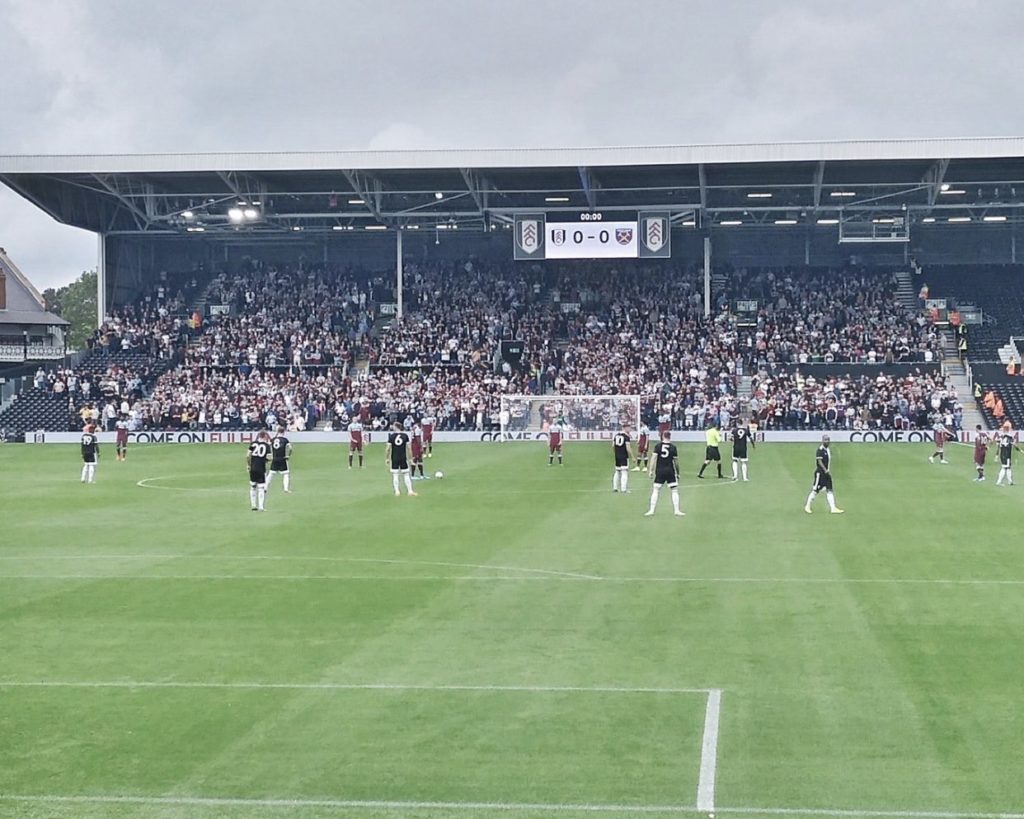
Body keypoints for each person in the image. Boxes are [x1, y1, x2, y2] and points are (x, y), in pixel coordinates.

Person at [645, 431, 684, 517]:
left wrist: (650, 470)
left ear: (663, 436)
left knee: (656, 490)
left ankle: (651, 510)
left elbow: (653, 458)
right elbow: (676, 462)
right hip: (670, 470)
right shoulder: (673, 447)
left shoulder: (658, 446)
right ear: (670, 437)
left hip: (660, 471)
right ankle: (677, 510)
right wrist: (678, 473)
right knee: (674, 490)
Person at [804, 434, 843, 514]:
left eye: (828, 440)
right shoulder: (820, 450)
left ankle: (833, 508)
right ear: (822, 441)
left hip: (826, 473)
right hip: (820, 473)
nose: (827, 441)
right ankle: (807, 506)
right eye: (825, 440)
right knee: (815, 490)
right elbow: (819, 462)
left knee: (830, 490)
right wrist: (825, 470)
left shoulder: (827, 450)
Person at [386, 422, 417, 496]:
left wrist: (387, 458)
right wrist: (410, 458)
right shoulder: (405, 436)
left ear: (396, 427)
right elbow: (409, 448)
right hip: (403, 457)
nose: (392, 428)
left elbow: (388, 448)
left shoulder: (392, 436)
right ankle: (410, 491)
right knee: (406, 474)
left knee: (395, 474)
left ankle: (397, 491)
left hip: (394, 458)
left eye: (393, 426)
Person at [246, 430, 272, 512]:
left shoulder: (253, 444)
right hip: (261, 468)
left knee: (253, 486)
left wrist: (248, 465)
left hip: (253, 468)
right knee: (261, 488)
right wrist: (265, 460)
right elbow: (270, 457)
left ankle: (253, 505)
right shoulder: (267, 445)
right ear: (265, 436)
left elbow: (248, 455)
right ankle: (261, 506)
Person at [266, 426, 292, 493]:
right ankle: (286, 489)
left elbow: (268, 445)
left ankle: (265, 487)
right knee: (286, 474)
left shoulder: (273, 439)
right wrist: (288, 455)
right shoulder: (285, 440)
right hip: (282, 458)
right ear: (284, 432)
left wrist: (269, 454)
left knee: (271, 474)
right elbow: (290, 448)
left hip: (275, 458)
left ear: (277, 431)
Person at [995, 422, 1021, 486]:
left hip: (1002, 454)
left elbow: (998, 445)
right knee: (1004, 468)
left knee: (1008, 467)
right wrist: (1019, 450)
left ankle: (1010, 481)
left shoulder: (1001, 437)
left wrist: (997, 455)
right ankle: (998, 482)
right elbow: (1014, 444)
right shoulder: (1009, 437)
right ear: (1008, 429)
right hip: (1007, 454)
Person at [611, 426, 633, 493]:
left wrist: (615, 452)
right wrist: (632, 456)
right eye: (629, 428)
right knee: (624, 472)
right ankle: (623, 489)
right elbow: (628, 448)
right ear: (625, 428)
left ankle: (615, 488)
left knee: (617, 471)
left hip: (617, 456)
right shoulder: (626, 437)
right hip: (624, 456)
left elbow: (613, 445)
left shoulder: (616, 435)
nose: (630, 429)